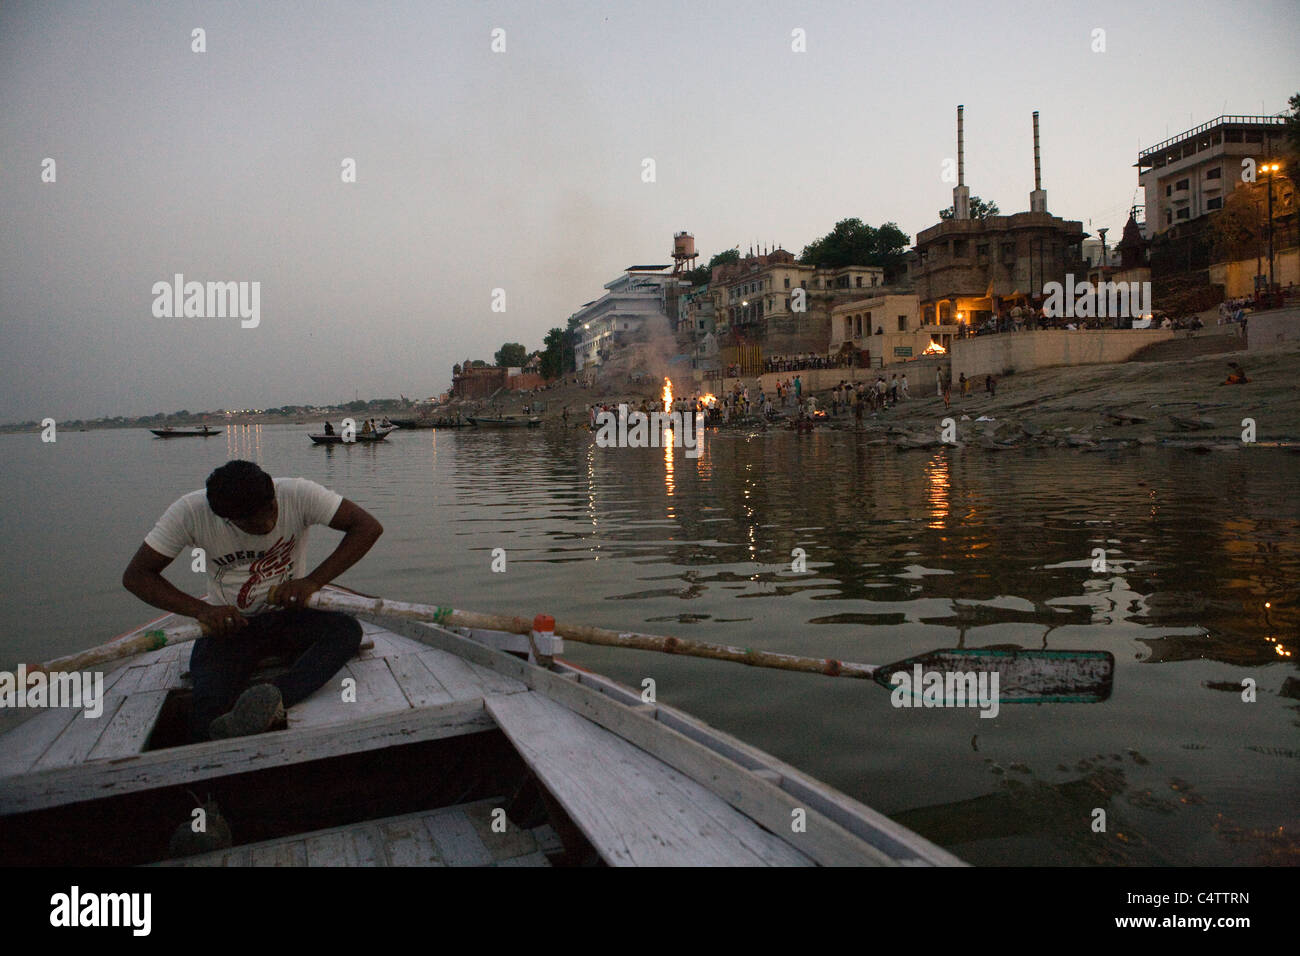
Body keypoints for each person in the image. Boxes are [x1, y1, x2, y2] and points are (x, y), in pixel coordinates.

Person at [122, 460, 383, 742]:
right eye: (253, 523)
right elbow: (137, 576)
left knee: (346, 631)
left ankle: (275, 698)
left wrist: (312, 582)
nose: (270, 522)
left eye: (271, 510)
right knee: (207, 703)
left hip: (290, 616)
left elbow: (367, 527)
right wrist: (203, 610)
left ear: (272, 494)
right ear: (227, 518)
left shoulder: (298, 493)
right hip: (230, 628)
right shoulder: (190, 512)